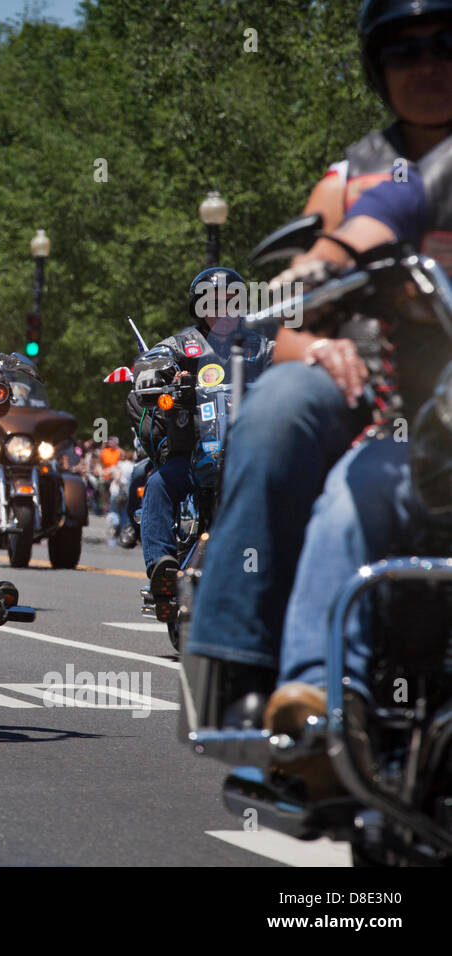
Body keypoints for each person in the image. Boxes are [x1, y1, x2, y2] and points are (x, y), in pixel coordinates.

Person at [187, 0, 452, 715]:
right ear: (379, 69)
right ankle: (245, 675)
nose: (428, 64)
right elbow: (282, 324)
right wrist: (318, 336)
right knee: (277, 409)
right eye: (407, 52)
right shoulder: (353, 179)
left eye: (444, 45)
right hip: (372, 385)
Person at [264, 129, 452, 754]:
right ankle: (320, 695)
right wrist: (326, 260)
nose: (428, 66)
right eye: (409, 50)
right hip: (420, 432)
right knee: (356, 494)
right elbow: (380, 217)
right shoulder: (419, 177)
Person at [128, 268, 274, 618]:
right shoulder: (182, 345)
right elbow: (147, 363)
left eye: (232, 301)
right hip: (196, 453)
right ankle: (162, 566)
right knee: (160, 484)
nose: (224, 309)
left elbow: (294, 359)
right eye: (215, 302)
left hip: (250, 455)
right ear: (200, 307)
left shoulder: (261, 343)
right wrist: (161, 373)